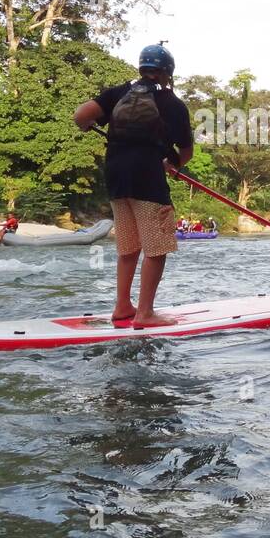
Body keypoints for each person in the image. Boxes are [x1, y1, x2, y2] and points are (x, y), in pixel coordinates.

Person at [73, 43, 193, 328]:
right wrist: (171, 163)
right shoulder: (172, 104)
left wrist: (89, 126)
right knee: (156, 247)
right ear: (167, 73)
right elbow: (185, 152)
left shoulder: (117, 94)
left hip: (115, 175)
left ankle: (123, 307)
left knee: (128, 246)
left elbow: (80, 117)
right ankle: (145, 314)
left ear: (141, 68)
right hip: (148, 177)